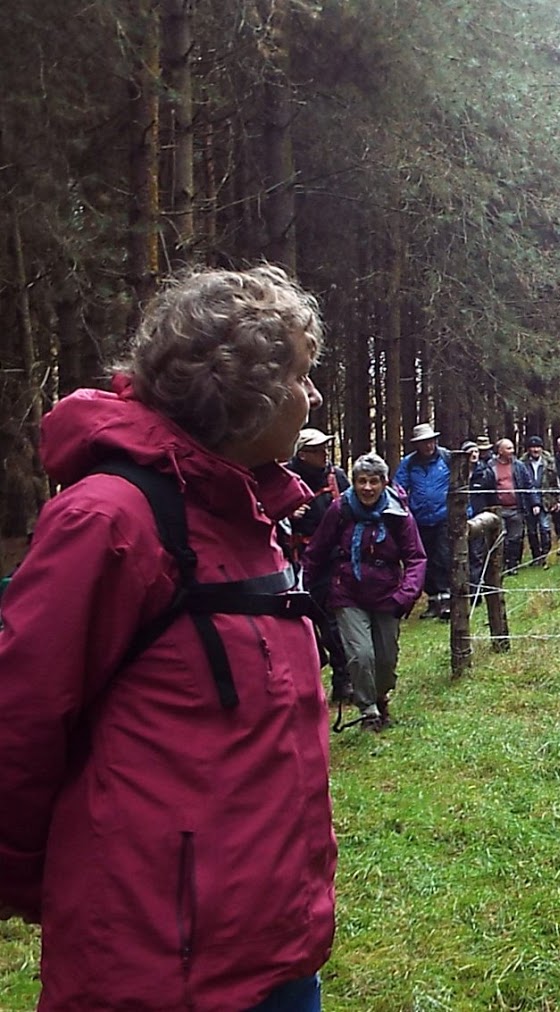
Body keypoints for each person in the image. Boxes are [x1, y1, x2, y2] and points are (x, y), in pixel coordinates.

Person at [0, 265, 337, 1009]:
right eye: (302, 378)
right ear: (243, 390)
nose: (313, 398)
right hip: (156, 961)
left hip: (277, 941)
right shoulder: (110, 521)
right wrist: (29, 879)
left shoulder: (248, 515)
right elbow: (20, 726)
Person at [302, 453, 426, 732]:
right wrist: (304, 586)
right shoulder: (340, 509)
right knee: (360, 655)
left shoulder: (399, 513)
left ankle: (380, 697)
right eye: (361, 481)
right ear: (354, 483)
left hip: (388, 594)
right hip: (347, 592)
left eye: (373, 481)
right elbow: (317, 551)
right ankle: (368, 710)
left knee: (385, 658)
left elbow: (416, 557)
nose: (367, 488)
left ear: (384, 483)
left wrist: (405, 596)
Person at [287, 426, 353, 702]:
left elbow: (353, 508)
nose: (324, 454)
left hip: (331, 559)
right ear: (302, 454)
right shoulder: (283, 478)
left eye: (326, 448)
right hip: (294, 559)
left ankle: (342, 680)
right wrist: (287, 513)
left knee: (332, 621)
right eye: (317, 450)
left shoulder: (336, 477)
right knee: (300, 622)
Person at [393, 422, 453, 618]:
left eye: (431, 441)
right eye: (424, 442)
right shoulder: (409, 463)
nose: (428, 446)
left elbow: (459, 485)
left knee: (443, 558)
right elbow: (399, 488)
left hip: (443, 517)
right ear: (417, 444)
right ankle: (433, 601)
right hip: (419, 521)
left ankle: (447, 601)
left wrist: (464, 512)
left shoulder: (447, 458)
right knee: (423, 561)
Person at [469, 438, 540, 573]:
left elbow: (528, 485)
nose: (512, 451)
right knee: (500, 538)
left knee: (515, 538)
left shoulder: (518, 465)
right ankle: (499, 567)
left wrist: (535, 502)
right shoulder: (490, 466)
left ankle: (512, 565)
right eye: (508, 448)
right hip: (497, 508)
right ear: (500, 451)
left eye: (512, 448)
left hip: (516, 507)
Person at [522, 436, 558, 564]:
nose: (535, 450)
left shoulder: (549, 461)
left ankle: (545, 555)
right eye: (532, 447)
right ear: (528, 449)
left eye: (538, 447)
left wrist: (557, 500)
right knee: (531, 531)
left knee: (545, 528)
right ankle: (536, 556)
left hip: (546, 500)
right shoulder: (522, 462)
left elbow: (555, 481)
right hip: (528, 501)